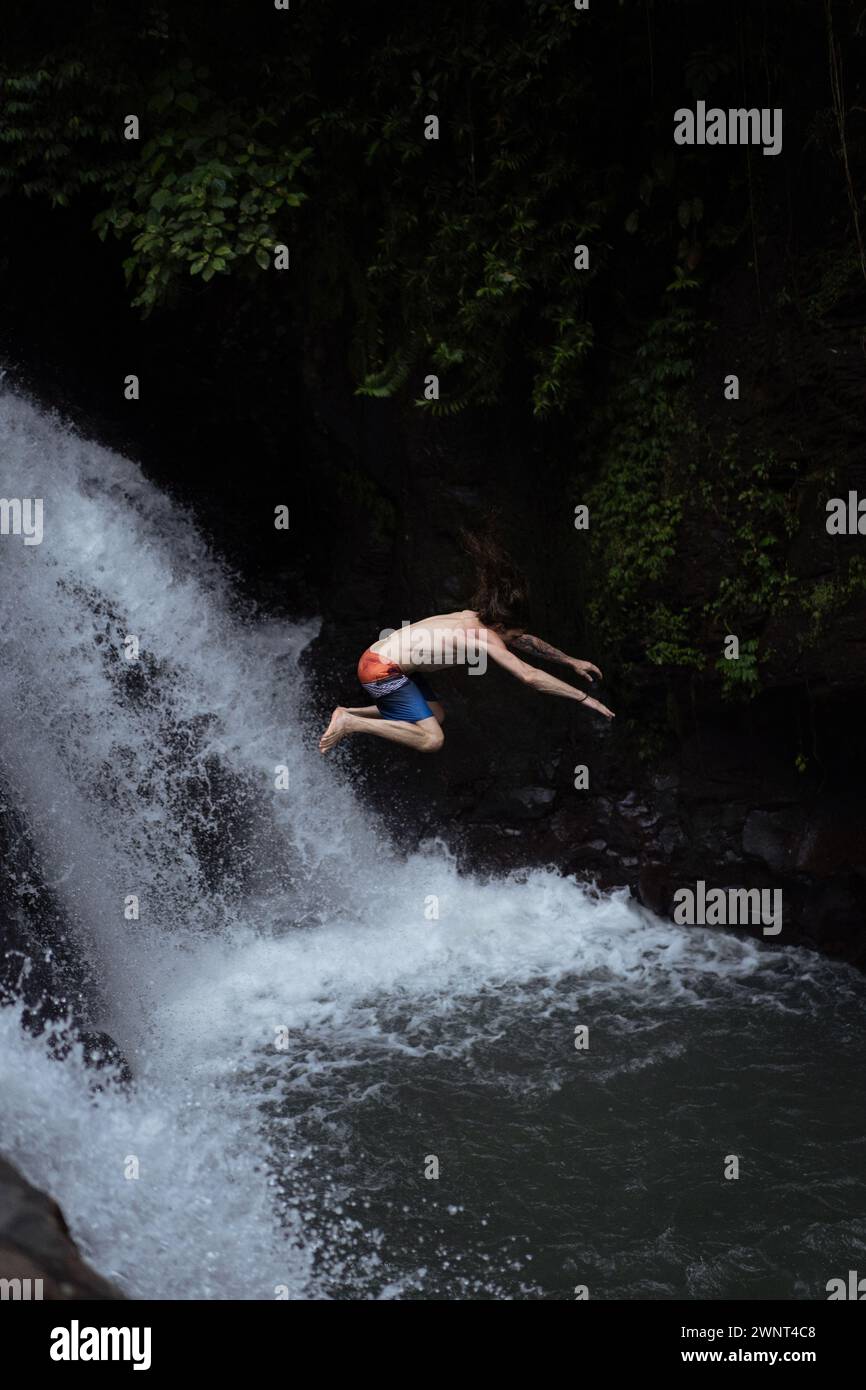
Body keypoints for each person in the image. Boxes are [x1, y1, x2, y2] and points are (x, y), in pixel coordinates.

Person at [318, 528, 614, 755]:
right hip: (381, 670)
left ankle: (348, 712)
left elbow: (526, 641)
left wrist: (570, 661)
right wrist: (584, 698)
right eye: (511, 636)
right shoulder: (483, 638)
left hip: (384, 659)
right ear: (499, 626)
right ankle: (352, 723)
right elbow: (529, 676)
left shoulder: (474, 616)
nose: (514, 641)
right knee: (433, 740)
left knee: (436, 714)